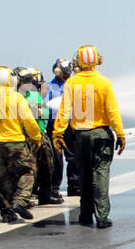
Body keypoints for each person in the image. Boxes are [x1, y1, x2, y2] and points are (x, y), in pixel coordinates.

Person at [52, 45, 125, 229]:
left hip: (79, 136)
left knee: (83, 175)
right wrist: (120, 133)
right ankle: (102, 217)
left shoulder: (71, 83)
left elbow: (64, 111)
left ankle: (85, 214)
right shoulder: (104, 83)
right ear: (96, 61)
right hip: (101, 134)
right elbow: (112, 111)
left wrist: (58, 133)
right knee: (100, 174)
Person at [0, 66, 42, 223]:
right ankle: (20, 201)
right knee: (27, 171)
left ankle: (7, 212)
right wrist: (36, 137)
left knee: (1, 179)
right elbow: (29, 122)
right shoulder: (17, 98)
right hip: (16, 143)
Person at [18, 67, 62, 205]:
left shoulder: (32, 95)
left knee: (45, 166)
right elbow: (37, 116)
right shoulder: (23, 97)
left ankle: (42, 194)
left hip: (38, 134)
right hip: (31, 135)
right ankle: (31, 195)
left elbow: (43, 115)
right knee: (35, 167)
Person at [46, 58, 76, 195]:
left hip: (70, 124)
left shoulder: (73, 85)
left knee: (73, 157)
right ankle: (54, 187)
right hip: (54, 124)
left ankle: (74, 186)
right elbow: (45, 106)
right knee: (56, 158)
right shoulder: (48, 87)